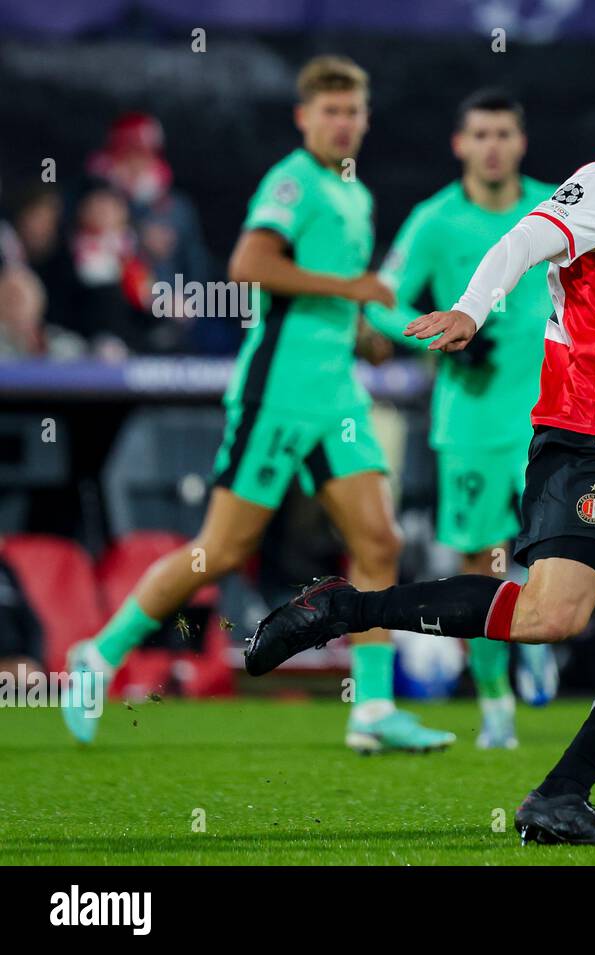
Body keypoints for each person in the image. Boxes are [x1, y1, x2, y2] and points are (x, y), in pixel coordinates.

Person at [246, 55, 595, 847]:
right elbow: (523, 240)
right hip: (584, 439)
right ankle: (345, 608)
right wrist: (473, 312)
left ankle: (559, 798)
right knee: (554, 615)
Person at [62, 55, 452, 754]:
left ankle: (371, 708)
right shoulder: (292, 181)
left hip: (337, 393)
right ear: (304, 117)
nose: (342, 123)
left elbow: (348, 307)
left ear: (365, 119)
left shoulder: (353, 196)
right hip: (279, 393)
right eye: (329, 111)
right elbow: (248, 266)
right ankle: (98, 653)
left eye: (352, 111)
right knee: (222, 547)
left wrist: (381, 335)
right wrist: (349, 290)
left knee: (379, 540)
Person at [363, 88, 559, 749]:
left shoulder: (559, 205)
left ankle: (536, 625)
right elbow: (381, 302)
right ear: (460, 144)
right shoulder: (435, 220)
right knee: (481, 564)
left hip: (558, 414)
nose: (493, 145)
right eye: (480, 134)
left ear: (521, 141)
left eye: (504, 132)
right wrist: (436, 336)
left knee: (573, 544)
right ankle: (497, 703)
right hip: (473, 421)